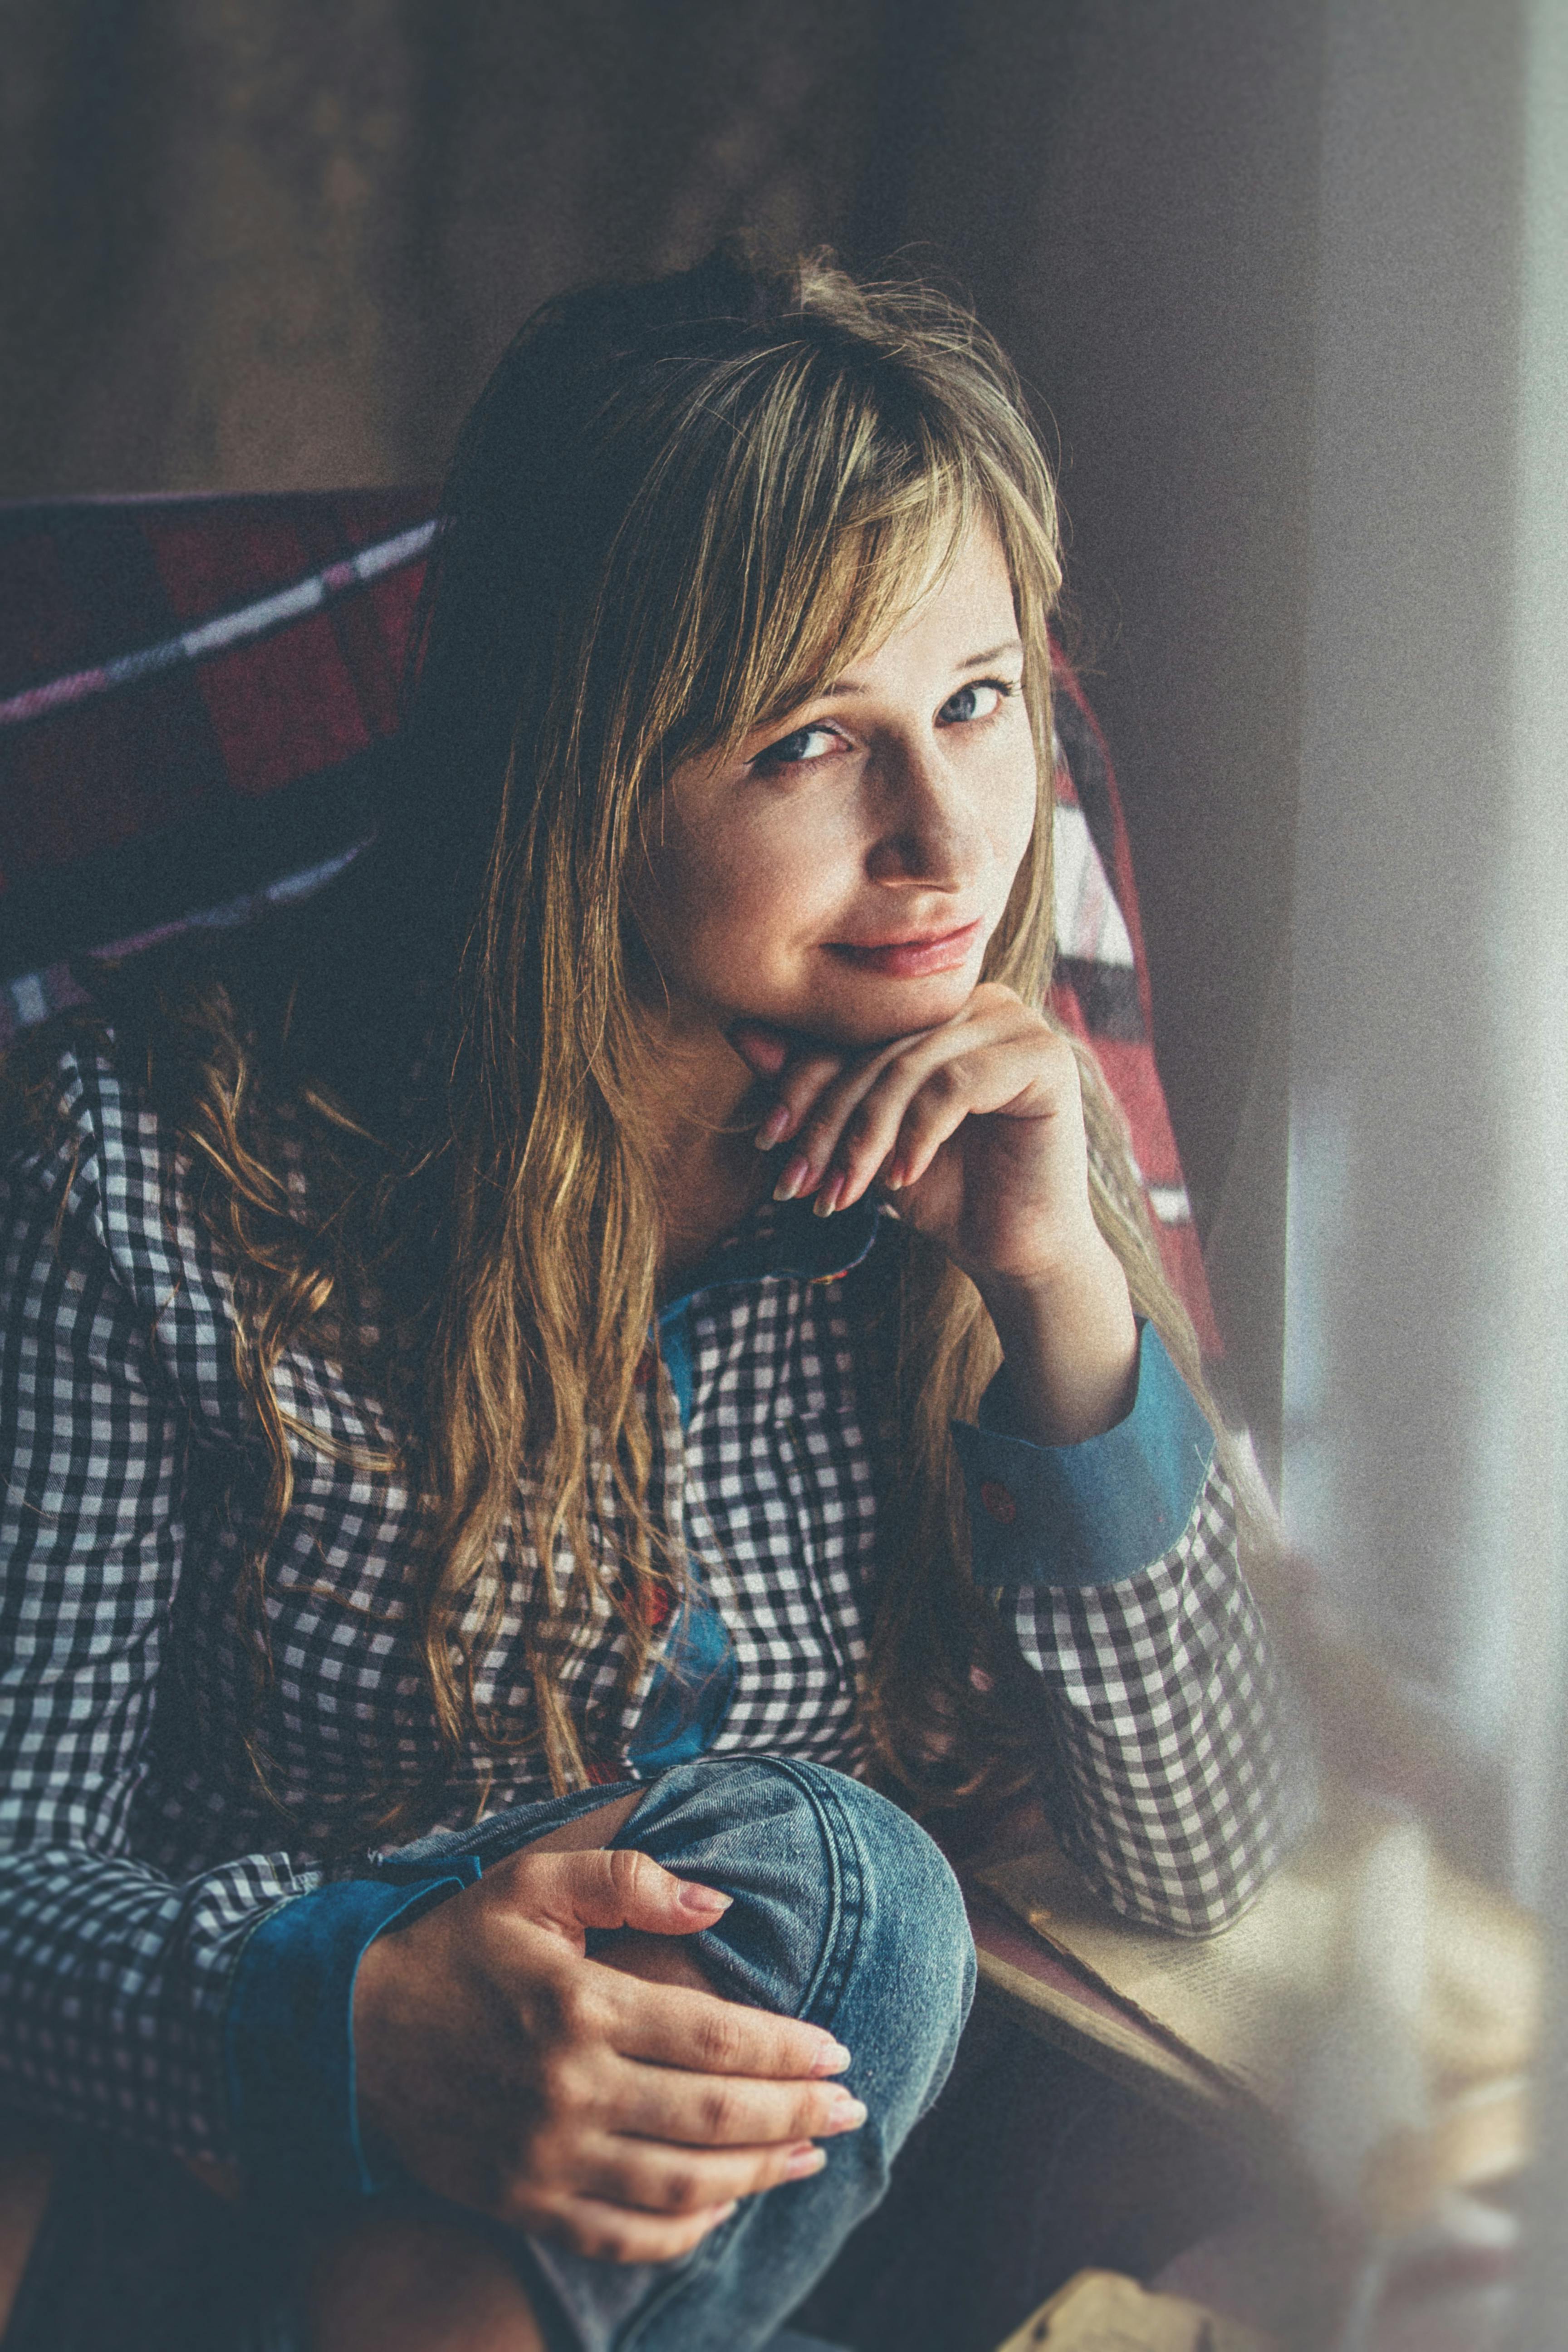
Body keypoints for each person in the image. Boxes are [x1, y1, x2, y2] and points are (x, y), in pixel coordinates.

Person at [0, 248, 1312, 2352]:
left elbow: (1203, 1852)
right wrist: (358, 2015)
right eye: (815, 738)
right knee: (846, 1885)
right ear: (584, 766)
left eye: (980, 704)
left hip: (728, 2234)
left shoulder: (988, 1134)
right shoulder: (157, 1169)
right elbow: (10, 1868)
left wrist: (1058, 1285)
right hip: (218, 2169)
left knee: (841, 1901)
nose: (945, 838)